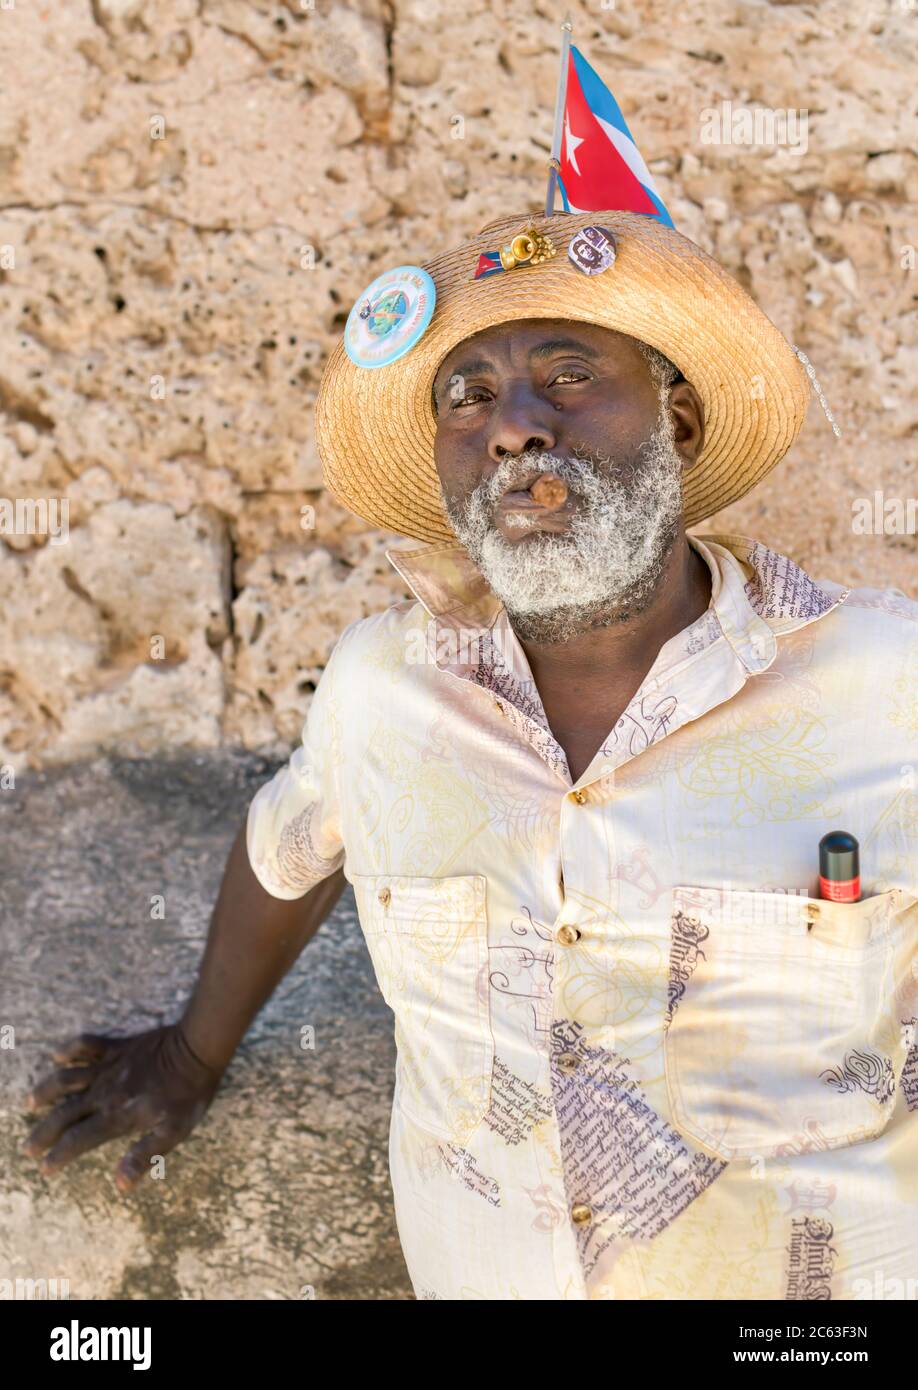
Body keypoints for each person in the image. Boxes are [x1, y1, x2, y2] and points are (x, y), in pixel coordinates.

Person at [22, 208, 918, 1300]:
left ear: (678, 423)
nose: (513, 428)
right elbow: (287, 853)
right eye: (470, 395)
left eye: (569, 373)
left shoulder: (883, 686)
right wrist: (188, 1058)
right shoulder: (384, 694)